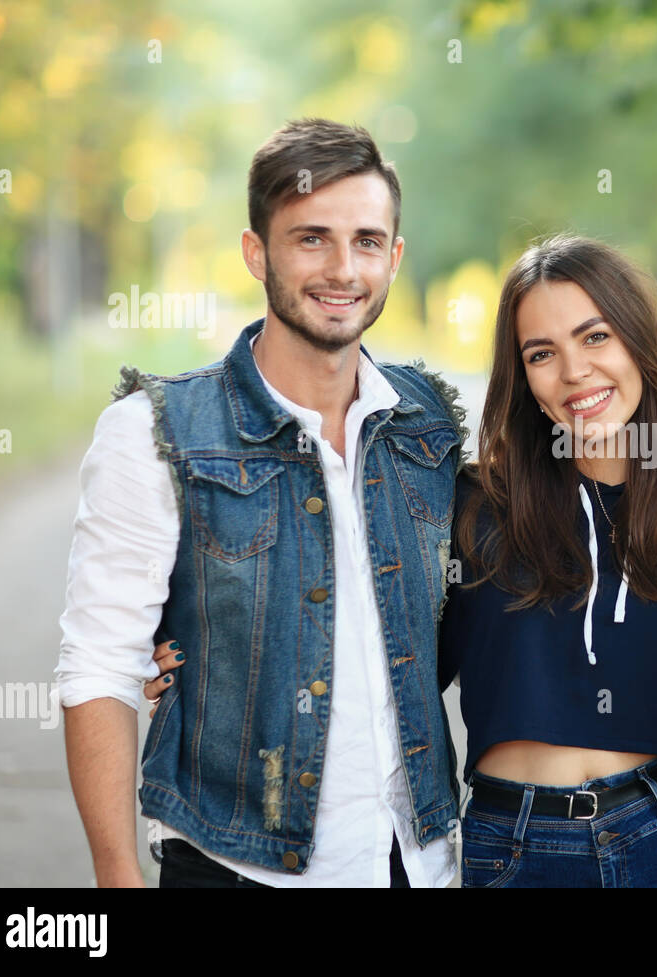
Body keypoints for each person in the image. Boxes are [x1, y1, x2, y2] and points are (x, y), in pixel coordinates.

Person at [56, 118, 465, 888]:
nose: (343, 268)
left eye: (367, 241)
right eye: (312, 238)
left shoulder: (430, 424)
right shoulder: (157, 431)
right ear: (257, 252)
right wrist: (117, 878)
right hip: (237, 868)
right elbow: (100, 666)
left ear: (394, 257)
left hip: (418, 866)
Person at [440, 234, 657, 887]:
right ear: (525, 379)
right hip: (511, 849)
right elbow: (382, 663)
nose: (574, 371)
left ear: (638, 342)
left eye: (595, 337)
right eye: (542, 353)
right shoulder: (473, 508)